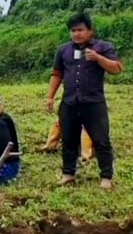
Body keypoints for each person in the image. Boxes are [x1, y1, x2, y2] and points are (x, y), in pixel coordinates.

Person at [46, 12, 122, 190]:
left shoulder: (103, 47)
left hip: (93, 103)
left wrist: (98, 58)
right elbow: (57, 74)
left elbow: (117, 68)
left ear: (90, 31)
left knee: (101, 140)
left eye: (80, 30)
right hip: (70, 102)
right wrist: (50, 96)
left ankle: (106, 177)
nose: (76, 34)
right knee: (69, 140)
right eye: (73, 30)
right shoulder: (64, 50)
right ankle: (68, 174)